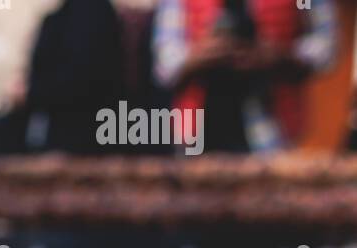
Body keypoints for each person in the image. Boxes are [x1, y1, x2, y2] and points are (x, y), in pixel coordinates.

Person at [153, 0, 339, 152]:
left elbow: (325, 46)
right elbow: (165, 64)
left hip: (273, 131)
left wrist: (280, 57)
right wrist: (201, 56)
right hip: (197, 133)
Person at [24, 0, 125, 154]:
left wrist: (35, 93)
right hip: (80, 130)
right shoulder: (62, 18)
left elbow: (83, 79)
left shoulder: (89, 15)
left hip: (79, 134)